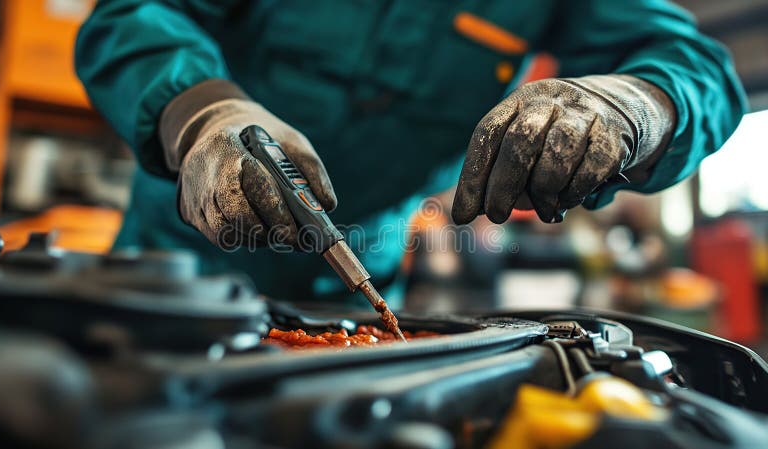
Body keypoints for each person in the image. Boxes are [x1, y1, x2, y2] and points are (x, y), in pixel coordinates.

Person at [75, 0, 746, 307]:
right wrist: (202, 113)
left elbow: (701, 70)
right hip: (167, 278)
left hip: (353, 302)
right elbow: (131, 13)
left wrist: (634, 103)